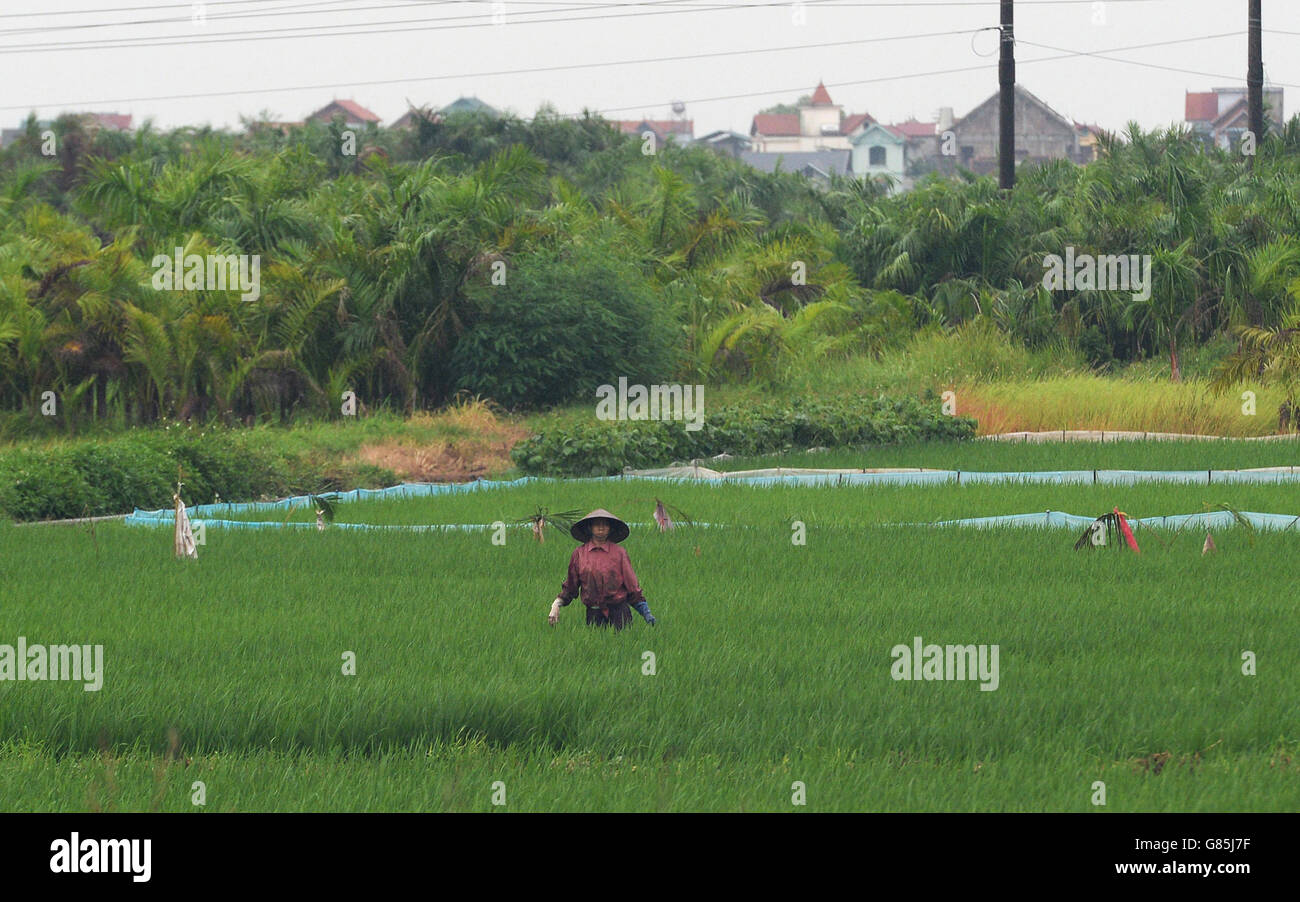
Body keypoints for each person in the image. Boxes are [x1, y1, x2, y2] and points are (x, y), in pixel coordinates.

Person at [548, 509, 656, 630]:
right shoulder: (579, 554)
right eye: (597, 524)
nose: (601, 527)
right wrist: (556, 605)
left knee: (622, 644)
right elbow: (571, 586)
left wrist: (645, 610)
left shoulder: (619, 553)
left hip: (619, 613)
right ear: (590, 527)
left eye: (605, 524)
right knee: (597, 643)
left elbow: (632, 585)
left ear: (610, 528)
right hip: (594, 614)